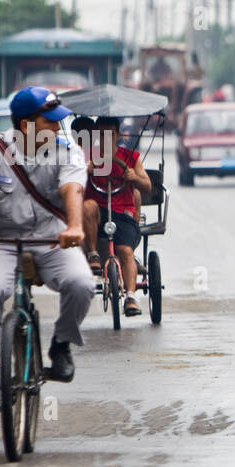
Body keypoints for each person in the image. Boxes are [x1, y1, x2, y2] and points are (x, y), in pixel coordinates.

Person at [0, 86, 93, 413]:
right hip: (1, 242)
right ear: (27, 125)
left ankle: (61, 343)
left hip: (53, 239)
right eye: (51, 121)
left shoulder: (66, 148)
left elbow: (72, 188)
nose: (59, 127)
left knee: (82, 284)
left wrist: (74, 227)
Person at [81, 116, 152, 317]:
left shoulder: (131, 157)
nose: (105, 139)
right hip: (96, 214)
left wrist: (134, 177)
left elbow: (147, 186)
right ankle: (93, 255)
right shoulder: (86, 156)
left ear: (118, 135)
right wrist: (84, 170)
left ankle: (130, 296)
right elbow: (66, 181)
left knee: (124, 250)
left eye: (109, 135)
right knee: (88, 205)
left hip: (122, 213)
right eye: (100, 134)